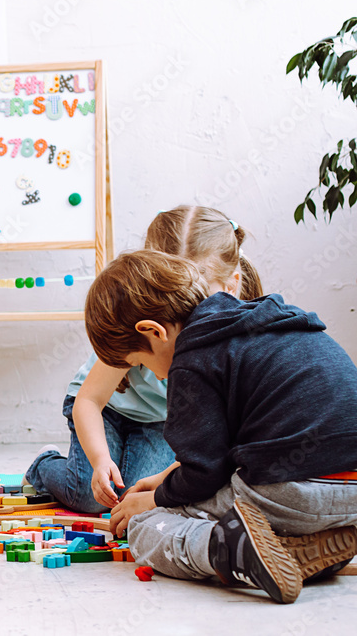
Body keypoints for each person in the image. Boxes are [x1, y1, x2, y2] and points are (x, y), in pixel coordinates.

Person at [89, 250, 357, 604]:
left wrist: (155, 499)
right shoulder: (264, 320)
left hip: (291, 493)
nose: (154, 374)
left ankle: (231, 551)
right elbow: (234, 445)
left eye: (141, 363)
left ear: (154, 332)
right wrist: (169, 476)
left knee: (146, 526)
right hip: (349, 492)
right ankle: (297, 549)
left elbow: (205, 475)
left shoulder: (192, 358)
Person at [26, 206, 263, 513]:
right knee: (89, 494)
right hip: (108, 410)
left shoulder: (238, 338)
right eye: (171, 288)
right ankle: (43, 465)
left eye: (194, 293)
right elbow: (90, 401)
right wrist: (100, 461)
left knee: (133, 497)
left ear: (230, 285)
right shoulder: (145, 327)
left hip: (159, 422)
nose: (181, 304)